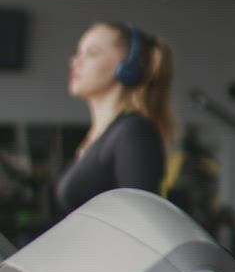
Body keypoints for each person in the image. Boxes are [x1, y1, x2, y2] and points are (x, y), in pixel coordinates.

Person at [58, 22, 176, 215]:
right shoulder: (105, 134)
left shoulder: (133, 132)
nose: (75, 62)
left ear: (127, 66)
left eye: (92, 53)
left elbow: (143, 219)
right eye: (78, 53)